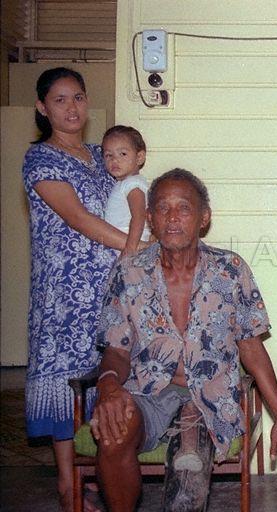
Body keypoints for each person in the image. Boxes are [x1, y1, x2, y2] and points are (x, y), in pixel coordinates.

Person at [91, 169, 277, 511]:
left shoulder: (230, 270)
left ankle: (189, 446)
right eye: (163, 208)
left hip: (208, 399)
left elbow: (251, 347)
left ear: (203, 218)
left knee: (189, 472)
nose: (172, 217)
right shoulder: (128, 272)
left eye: (184, 208)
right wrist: (109, 385)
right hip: (147, 393)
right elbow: (116, 349)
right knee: (114, 432)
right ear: (150, 218)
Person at [22, 67, 135, 512]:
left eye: (79, 98)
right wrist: (138, 246)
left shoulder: (100, 154)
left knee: (102, 374)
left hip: (107, 288)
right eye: (60, 100)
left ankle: (97, 479)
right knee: (65, 376)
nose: (72, 108)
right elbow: (79, 219)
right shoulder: (40, 159)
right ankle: (68, 488)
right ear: (42, 107)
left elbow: (129, 197)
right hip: (64, 292)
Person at [102, 125, 152, 256]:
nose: (114, 159)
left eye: (122, 154)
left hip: (131, 245)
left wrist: (130, 248)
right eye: (108, 155)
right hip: (122, 242)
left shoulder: (133, 184)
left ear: (139, 157)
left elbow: (139, 216)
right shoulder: (124, 183)